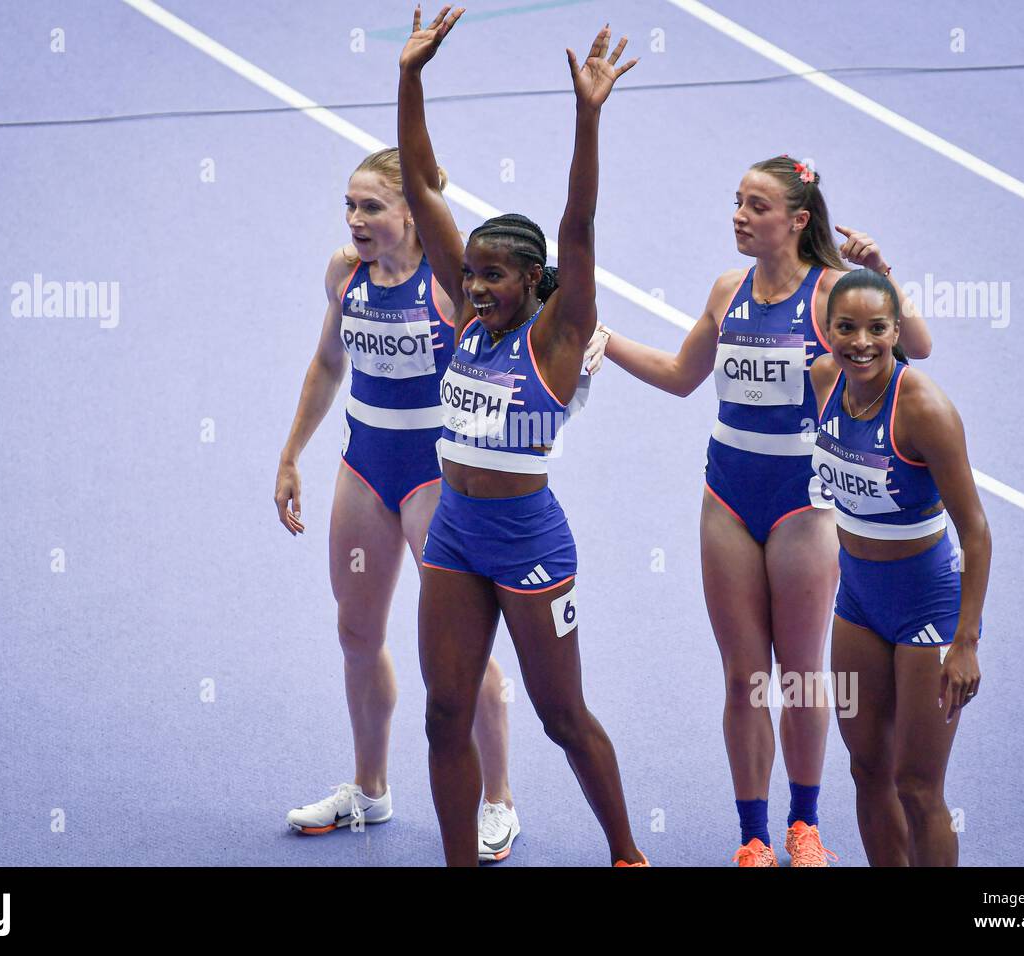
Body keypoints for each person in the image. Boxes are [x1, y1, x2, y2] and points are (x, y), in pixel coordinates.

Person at [586, 157, 932, 865]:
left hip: (803, 504)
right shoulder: (726, 290)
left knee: (800, 670)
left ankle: (805, 825)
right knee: (745, 674)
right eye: (737, 202)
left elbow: (917, 348)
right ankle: (753, 836)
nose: (739, 216)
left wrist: (885, 272)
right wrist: (606, 340)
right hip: (727, 497)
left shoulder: (833, 291)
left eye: (756, 206)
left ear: (799, 221)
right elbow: (684, 377)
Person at [399, 6, 647, 866]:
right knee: (442, 712)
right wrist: (411, 76)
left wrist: (587, 114)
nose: (472, 287)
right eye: (467, 273)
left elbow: (578, 224)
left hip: (529, 540)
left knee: (561, 718)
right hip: (456, 535)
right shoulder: (468, 317)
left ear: (532, 280)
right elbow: (424, 190)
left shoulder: (555, 336)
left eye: (492, 275)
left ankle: (625, 852)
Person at [275, 145, 522, 862]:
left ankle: (498, 799)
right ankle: (370, 787)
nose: (354, 219)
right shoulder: (344, 275)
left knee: (459, 653)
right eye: (350, 205)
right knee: (356, 634)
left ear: (414, 214)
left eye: (372, 206)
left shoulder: (449, 287)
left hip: (435, 479)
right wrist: (292, 453)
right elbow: (328, 364)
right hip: (364, 468)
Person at [809, 268, 989, 866]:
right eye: (847, 327)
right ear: (827, 329)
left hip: (928, 609)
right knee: (867, 770)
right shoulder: (823, 378)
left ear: (896, 332)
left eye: (877, 329)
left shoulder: (924, 409)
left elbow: (977, 532)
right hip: (858, 601)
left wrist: (965, 641)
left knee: (917, 787)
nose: (861, 342)